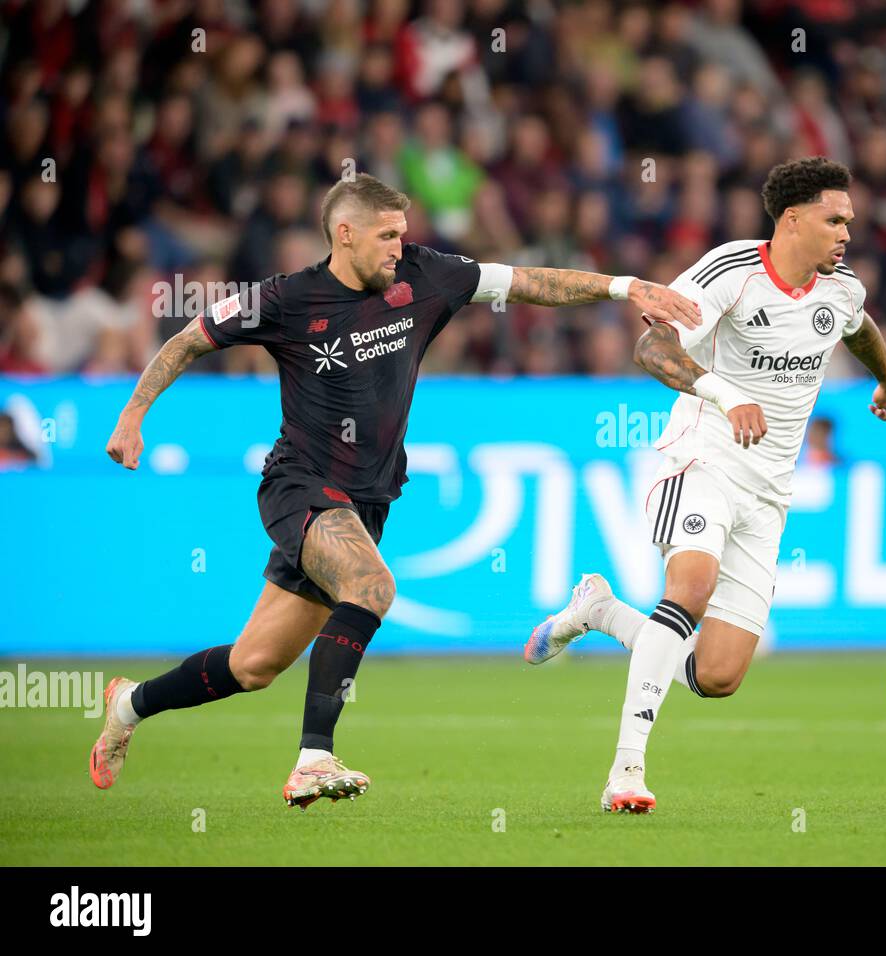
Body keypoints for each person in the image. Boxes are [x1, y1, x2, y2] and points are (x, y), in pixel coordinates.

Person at [92, 173, 701, 810]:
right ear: (344, 234)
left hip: (367, 498)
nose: (397, 246)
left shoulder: (426, 276)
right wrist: (132, 416)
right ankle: (313, 760)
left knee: (253, 666)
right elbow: (190, 339)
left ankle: (130, 705)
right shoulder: (285, 299)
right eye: (386, 235)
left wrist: (626, 286)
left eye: (402, 233)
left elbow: (526, 283)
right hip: (300, 484)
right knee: (373, 587)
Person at [524, 157, 886, 813]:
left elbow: (860, 328)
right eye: (834, 219)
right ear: (792, 219)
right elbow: (653, 349)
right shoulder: (732, 269)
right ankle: (626, 773)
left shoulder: (839, 291)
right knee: (688, 591)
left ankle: (599, 610)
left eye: (849, 221)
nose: (846, 232)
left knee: (716, 676)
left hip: (768, 494)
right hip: (702, 460)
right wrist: (726, 395)